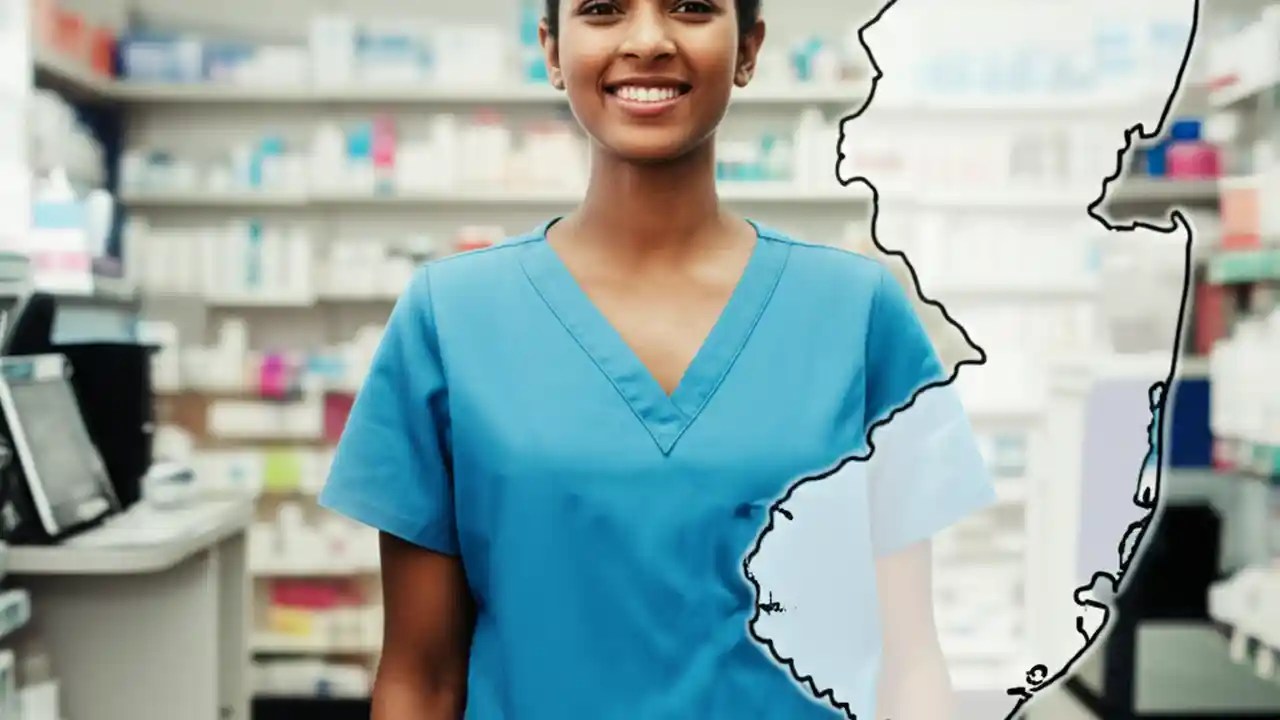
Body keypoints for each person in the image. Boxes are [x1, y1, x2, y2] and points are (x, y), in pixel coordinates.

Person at [318, 1, 995, 718]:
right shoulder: (449, 319)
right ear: (552, 49)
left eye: (693, 7)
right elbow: (420, 682)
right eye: (604, 10)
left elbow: (911, 662)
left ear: (748, 48)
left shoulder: (857, 315)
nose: (647, 40)